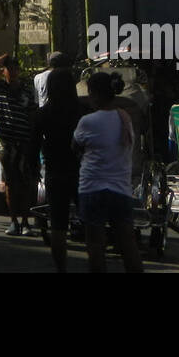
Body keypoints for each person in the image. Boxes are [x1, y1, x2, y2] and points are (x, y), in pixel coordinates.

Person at [73, 71, 142, 273]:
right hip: (121, 189)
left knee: (95, 246)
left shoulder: (88, 121)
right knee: (128, 244)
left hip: (93, 188)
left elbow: (75, 147)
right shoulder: (125, 118)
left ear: (94, 94)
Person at [0, 53, 39, 236]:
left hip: (24, 140)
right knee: (11, 182)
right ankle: (13, 221)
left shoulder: (26, 90)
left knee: (26, 181)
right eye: (8, 68)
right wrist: (4, 57)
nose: (11, 71)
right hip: (6, 140)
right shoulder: (0, 88)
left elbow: (33, 114)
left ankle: (26, 221)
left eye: (14, 68)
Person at [39, 67, 81, 272]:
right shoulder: (83, 109)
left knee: (58, 225)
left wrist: (32, 169)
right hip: (82, 170)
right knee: (91, 222)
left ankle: (61, 268)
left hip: (55, 170)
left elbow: (32, 146)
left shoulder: (44, 113)